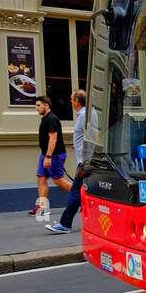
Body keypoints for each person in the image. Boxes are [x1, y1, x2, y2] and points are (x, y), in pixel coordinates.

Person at [47, 90, 86, 234]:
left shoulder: (84, 116)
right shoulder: (83, 115)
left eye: (71, 99)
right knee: (82, 193)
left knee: (76, 193)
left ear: (77, 101)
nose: (70, 101)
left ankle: (65, 224)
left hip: (85, 162)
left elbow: (93, 136)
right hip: (85, 161)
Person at [30, 97, 71, 215]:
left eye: (38, 105)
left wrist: (48, 157)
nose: (36, 108)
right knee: (41, 178)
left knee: (58, 180)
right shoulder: (45, 118)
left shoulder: (52, 119)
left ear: (46, 105)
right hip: (45, 155)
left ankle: (82, 198)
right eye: (36, 106)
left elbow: (53, 138)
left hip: (54, 156)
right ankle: (43, 207)